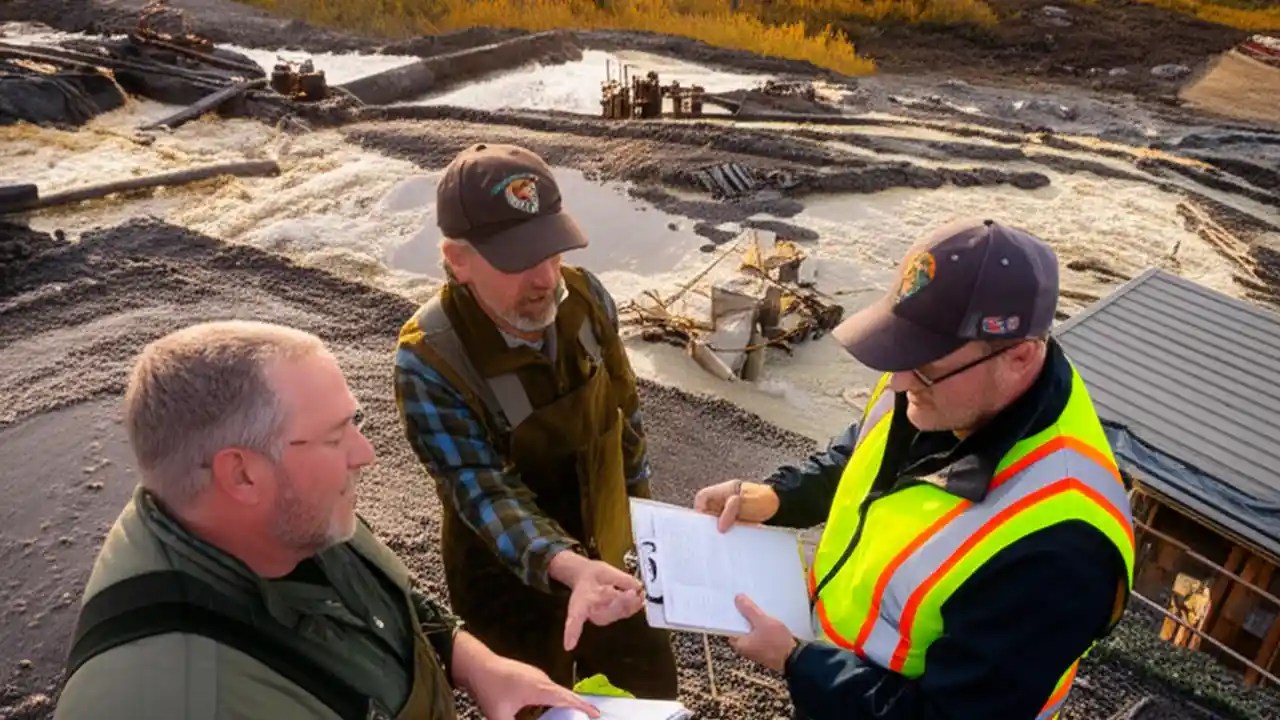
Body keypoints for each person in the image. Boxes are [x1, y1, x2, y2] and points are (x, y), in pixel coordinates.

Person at [694, 218, 1136, 720]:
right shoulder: (940, 384)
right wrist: (779, 496)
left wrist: (798, 661)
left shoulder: (1062, 547)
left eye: (924, 363)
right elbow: (864, 451)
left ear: (1019, 358)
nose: (900, 381)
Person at [54, 320, 601, 720]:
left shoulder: (283, 515)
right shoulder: (184, 699)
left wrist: (478, 664)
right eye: (336, 436)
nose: (365, 453)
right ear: (241, 475)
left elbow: (393, 601)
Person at [393, 142, 679, 698]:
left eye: (551, 251)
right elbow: (482, 490)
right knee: (537, 708)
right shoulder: (428, 361)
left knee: (652, 696)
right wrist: (567, 566)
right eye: (519, 261)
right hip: (507, 582)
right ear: (458, 259)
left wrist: (647, 528)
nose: (546, 278)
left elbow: (625, 416)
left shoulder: (589, 297)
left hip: (611, 559)